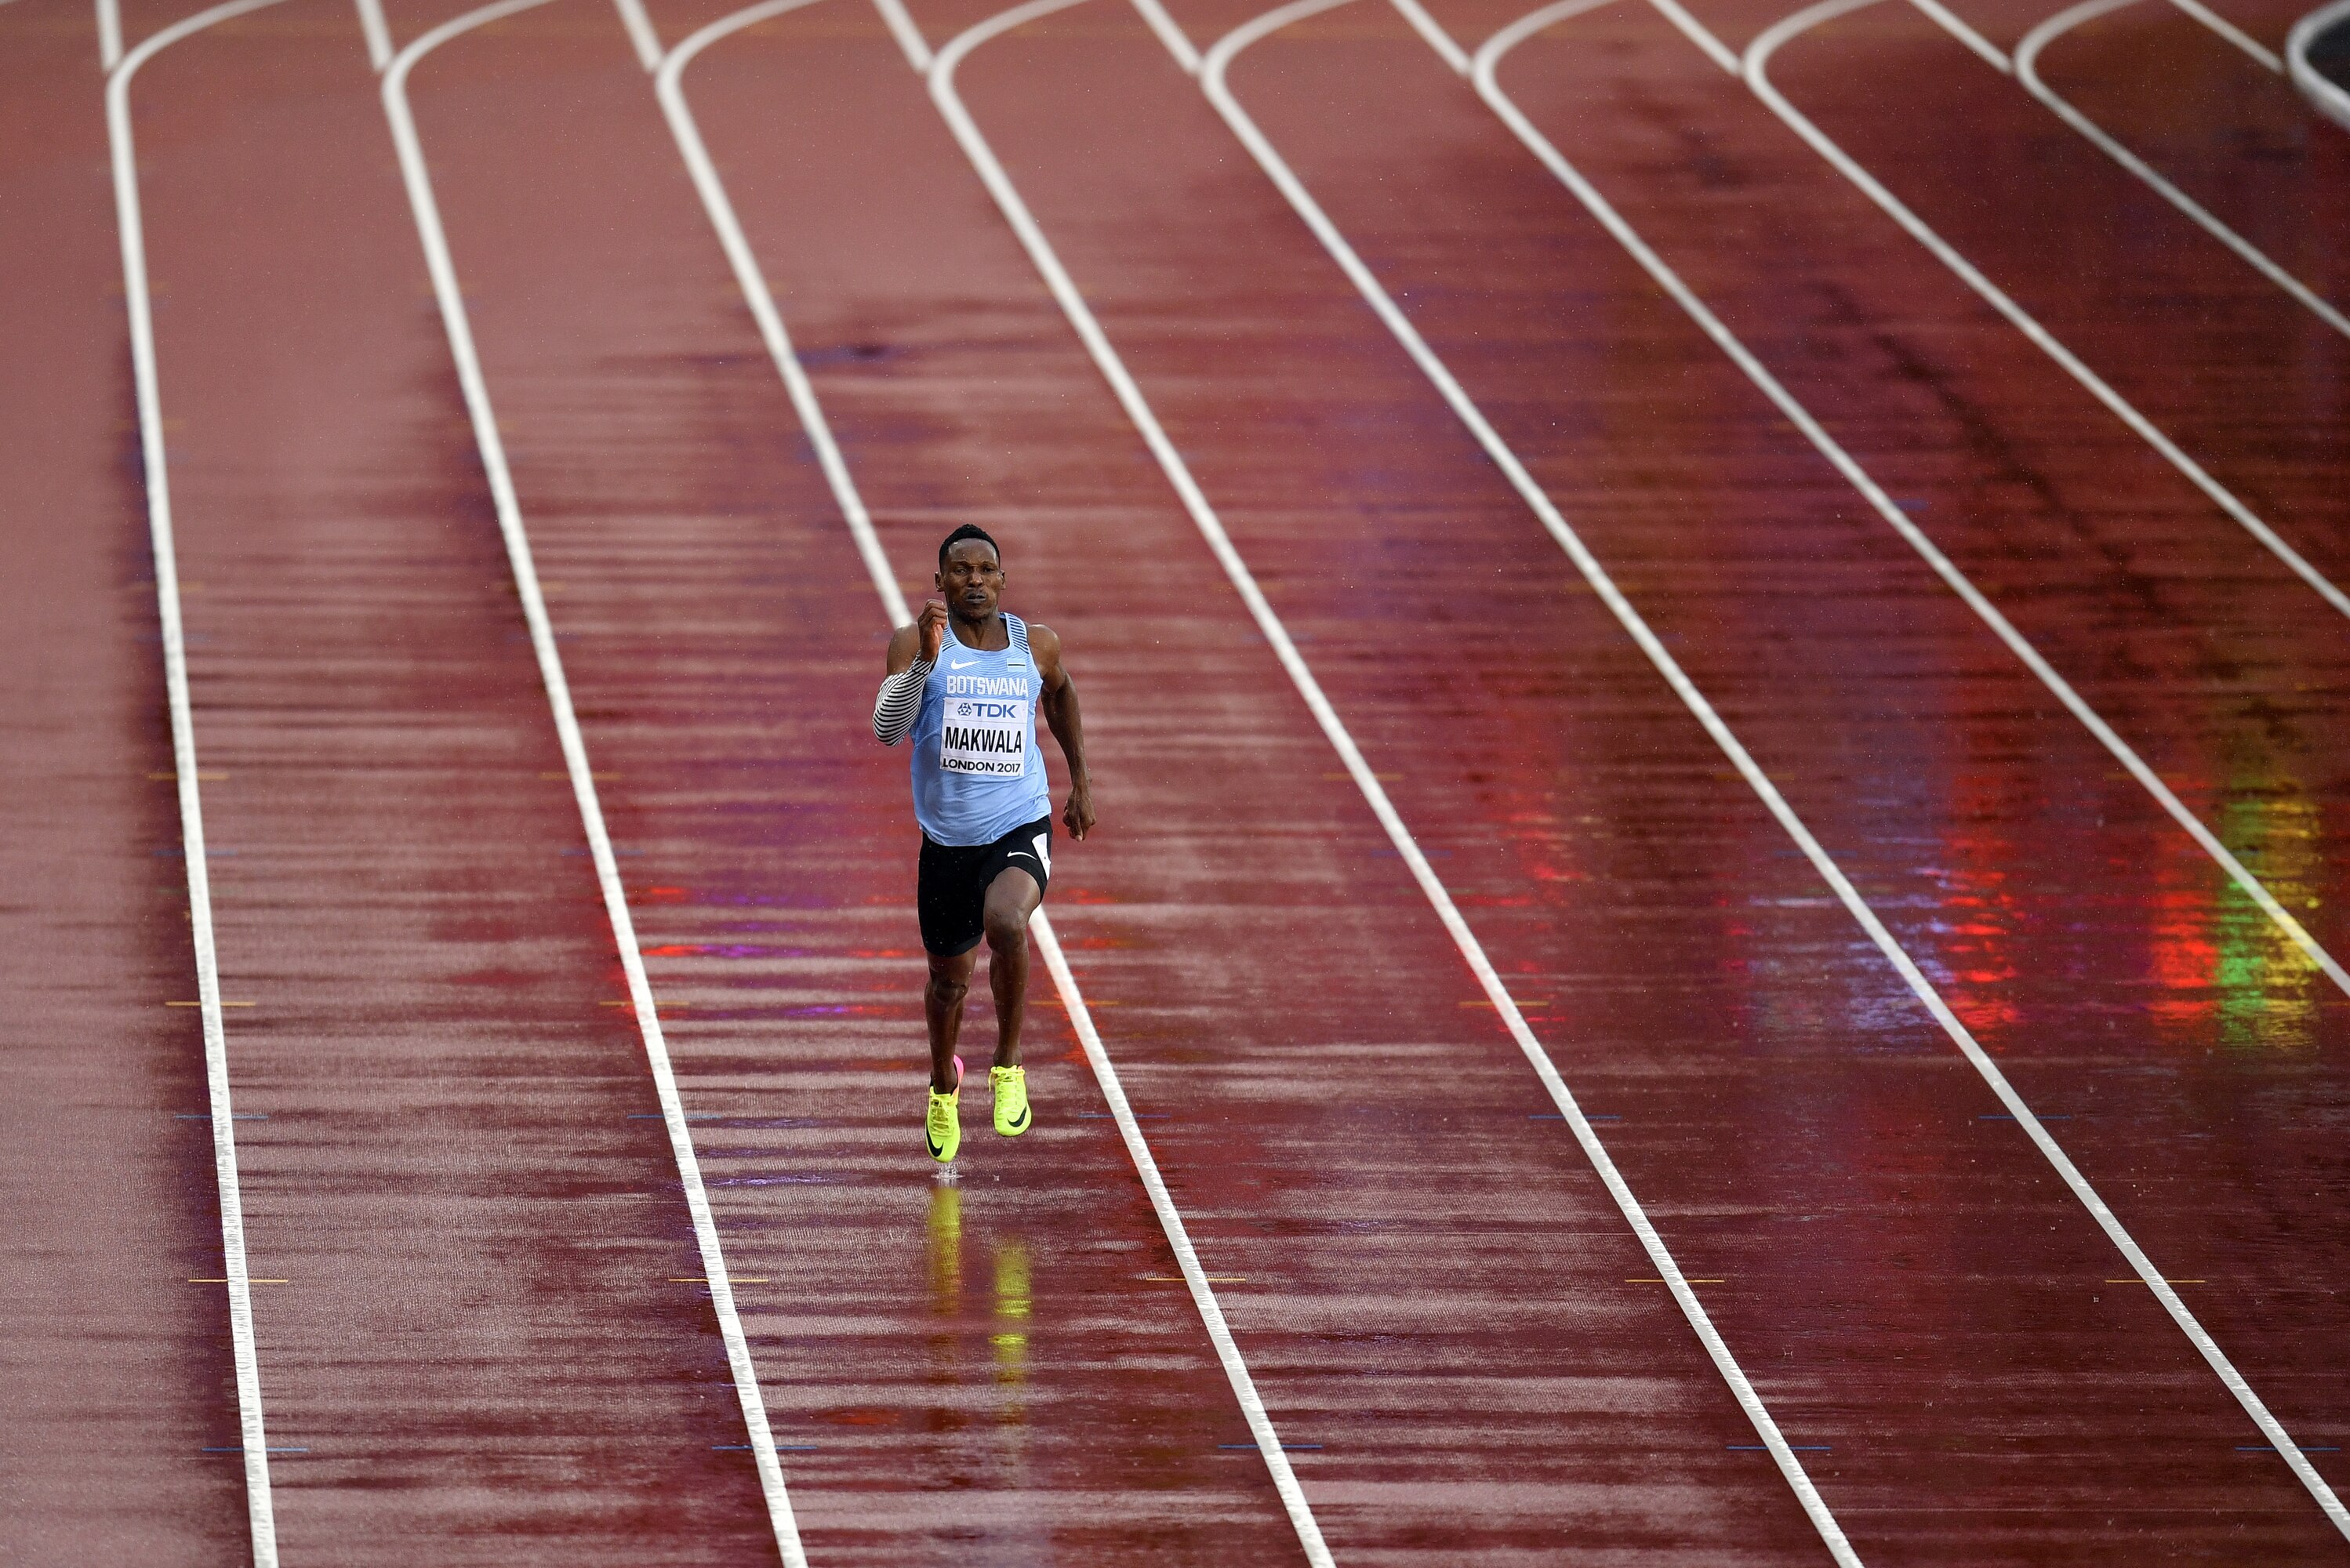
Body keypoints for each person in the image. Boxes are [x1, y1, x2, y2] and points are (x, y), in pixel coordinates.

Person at [872, 525, 1094, 1163]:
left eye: (985, 570)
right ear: (939, 581)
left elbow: (1062, 692)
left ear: (1002, 579)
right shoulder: (915, 643)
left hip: (1018, 822)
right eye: (960, 571)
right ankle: (944, 1083)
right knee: (948, 984)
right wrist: (923, 662)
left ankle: (1008, 1063)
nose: (974, 580)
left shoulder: (1036, 645)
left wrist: (1080, 782)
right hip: (946, 841)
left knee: (1006, 921)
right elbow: (888, 732)